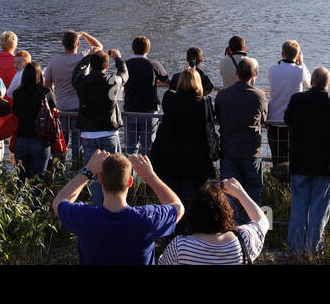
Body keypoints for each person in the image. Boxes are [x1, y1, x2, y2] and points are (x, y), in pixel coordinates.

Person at [52, 151, 182, 265]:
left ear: (100, 179)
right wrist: (150, 176)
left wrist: (88, 171)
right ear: (130, 182)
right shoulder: (147, 219)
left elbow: (58, 203)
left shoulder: (85, 217)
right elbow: (178, 207)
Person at [283, 66, 330, 256]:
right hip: (325, 164)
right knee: (319, 209)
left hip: (300, 161)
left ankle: (296, 248)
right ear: (328, 83)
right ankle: (313, 249)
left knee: (299, 207)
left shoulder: (297, 99)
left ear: (311, 82)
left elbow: (287, 119)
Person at [158, 177, 270, 264]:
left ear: (193, 213)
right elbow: (263, 221)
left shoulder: (180, 247)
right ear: (227, 212)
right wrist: (240, 193)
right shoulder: (243, 240)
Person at [149, 68, 216, 206]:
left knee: (170, 203)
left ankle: (172, 227)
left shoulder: (169, 98)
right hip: (195, 162)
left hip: (167, 159)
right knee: (192, 203)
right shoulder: (204, 103)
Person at [72, 48, 128, 202]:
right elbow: (124, 74)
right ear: (106, 65)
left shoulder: (82, 82)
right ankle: (114, 206)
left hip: (88, 133)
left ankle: (98, 206)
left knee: (94, 174)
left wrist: (87, 57)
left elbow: (76, 72)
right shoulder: (112, 81)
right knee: (114, 174)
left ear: (91, 64)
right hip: (109, 132)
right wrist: (119, 58)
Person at [215, 57, 268, 204]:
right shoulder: (259, 95)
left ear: (236, 74)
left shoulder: (223, 95)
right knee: (252, 194)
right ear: (253, 75)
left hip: (229, 149)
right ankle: (252, 224)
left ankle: (232, 225)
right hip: (251, 151)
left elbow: (219, 115)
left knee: (230, 195)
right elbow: (263, 118)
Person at [44, 30, 95, 160]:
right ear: (78, 43)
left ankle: (59, 170)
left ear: (62, 44)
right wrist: (84, 35)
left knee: (61, 143)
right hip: (79, 108)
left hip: (61, 108)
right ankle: (77, 170)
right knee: (78, 144)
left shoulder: (54, 61)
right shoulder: (83, 57)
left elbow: (47, 86)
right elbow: (98, 47)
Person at [265, 39, 310, 179]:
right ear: (297, 55)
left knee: (277, 158)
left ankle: (276, 186)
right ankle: (290, 189)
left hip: (274, 121)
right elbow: (309, 84)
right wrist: (302, 62)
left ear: (282, 53)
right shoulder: (300, 71)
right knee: (293, 159)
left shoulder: (272, 70)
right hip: (293, 123)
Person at [123, 36, 169, 154]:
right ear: (148, 49)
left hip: (130, 110)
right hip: (149, 111)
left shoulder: (125, 65)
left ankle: (129, 172)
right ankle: (146, 171)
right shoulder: (153, 64)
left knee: (130, 147)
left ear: (133, 48)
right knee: (148, 148)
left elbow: (116, 81)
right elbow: (167, 81)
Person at [11, 62, 56, 179]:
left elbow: (15, 111)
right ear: (40, 76)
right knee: (38, 179)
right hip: (40, 140)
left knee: (21, 180)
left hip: (21, 139)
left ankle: (19, 197)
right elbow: (54, 108)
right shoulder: (46, 93)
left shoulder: (17, 94)